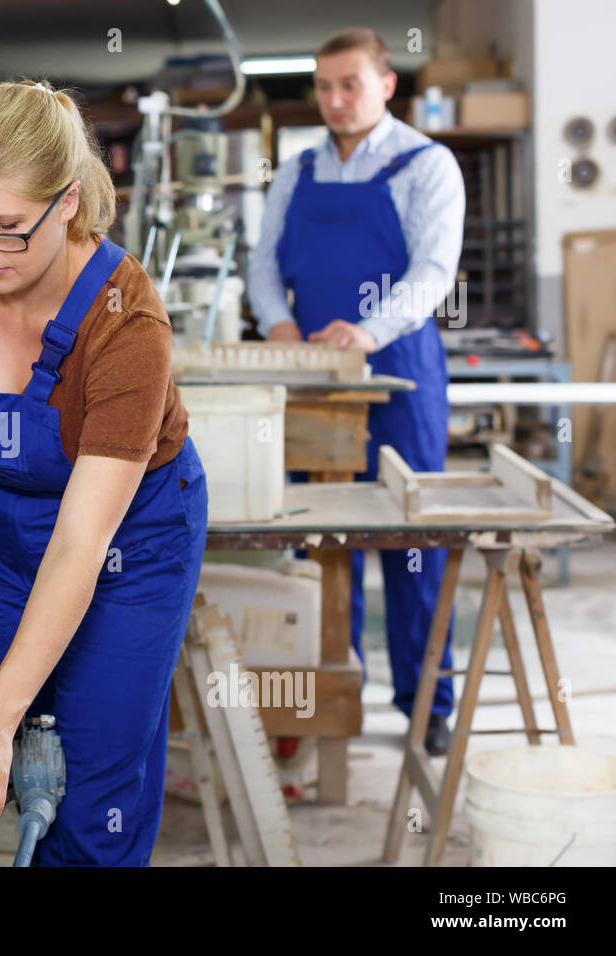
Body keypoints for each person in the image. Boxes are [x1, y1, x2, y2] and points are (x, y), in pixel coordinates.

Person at [0, 79, 208, 866]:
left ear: (70, 201)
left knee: (93, 785)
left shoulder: (128, 324)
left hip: (128, 542)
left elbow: (83, 544)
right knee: (33, 759)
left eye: (9, 228)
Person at [249, 28, 466, 755]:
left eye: (350, 85)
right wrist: (278, 321)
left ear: (386, 85)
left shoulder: (426, 166)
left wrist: (368, 330)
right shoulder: (297, 170)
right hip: (313, 386)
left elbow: (433, 274)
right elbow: (260, 265)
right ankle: (323, 702)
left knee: (411, 543)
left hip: (398, 377)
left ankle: (426, 703)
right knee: (312, 540)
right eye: (324, 86)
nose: (335, 101)